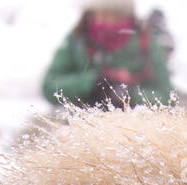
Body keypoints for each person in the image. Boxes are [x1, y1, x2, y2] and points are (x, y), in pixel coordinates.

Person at [41, 1, 172, 108]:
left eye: (115, 16)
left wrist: (128, 95)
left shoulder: (147, 42)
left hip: (136, 131)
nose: (106, 21)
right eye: (102, 14)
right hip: (79, 129)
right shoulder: (77, 39)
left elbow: (166, 98)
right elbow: (50, 87)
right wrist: (92, 82)